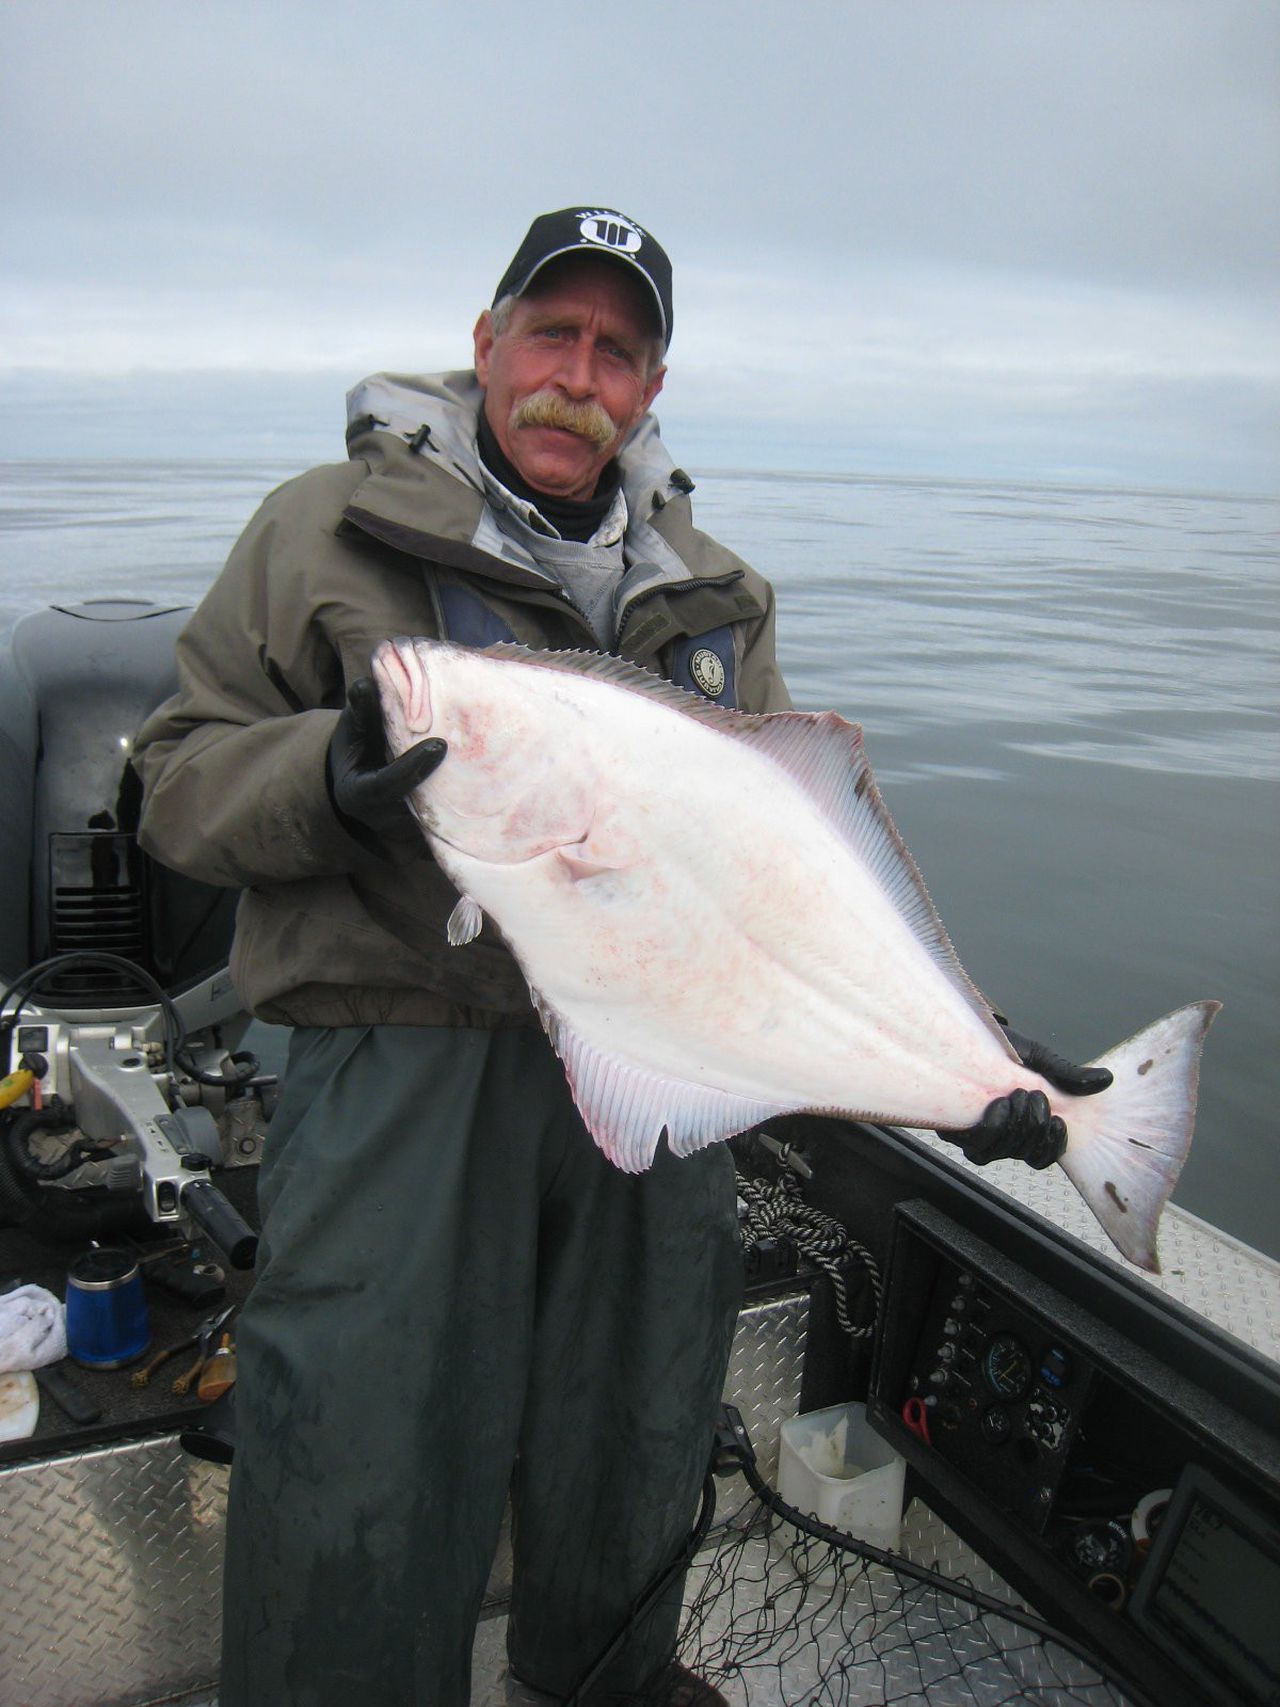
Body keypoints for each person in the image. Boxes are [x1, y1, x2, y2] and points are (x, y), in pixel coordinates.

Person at [133, 206, 1109, 1706]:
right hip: (403, 1062)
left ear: (650, 388)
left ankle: (610, 1675)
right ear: (486, 343)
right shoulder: (318, 530)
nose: (573, 378)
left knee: (638, 1418)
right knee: (366, 1436)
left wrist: (968, 1046)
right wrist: (322, 778)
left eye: (617, 351)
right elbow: (178, 782)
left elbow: (798, 881)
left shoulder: (718, 596)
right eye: (551, 334)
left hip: (656, 1067)